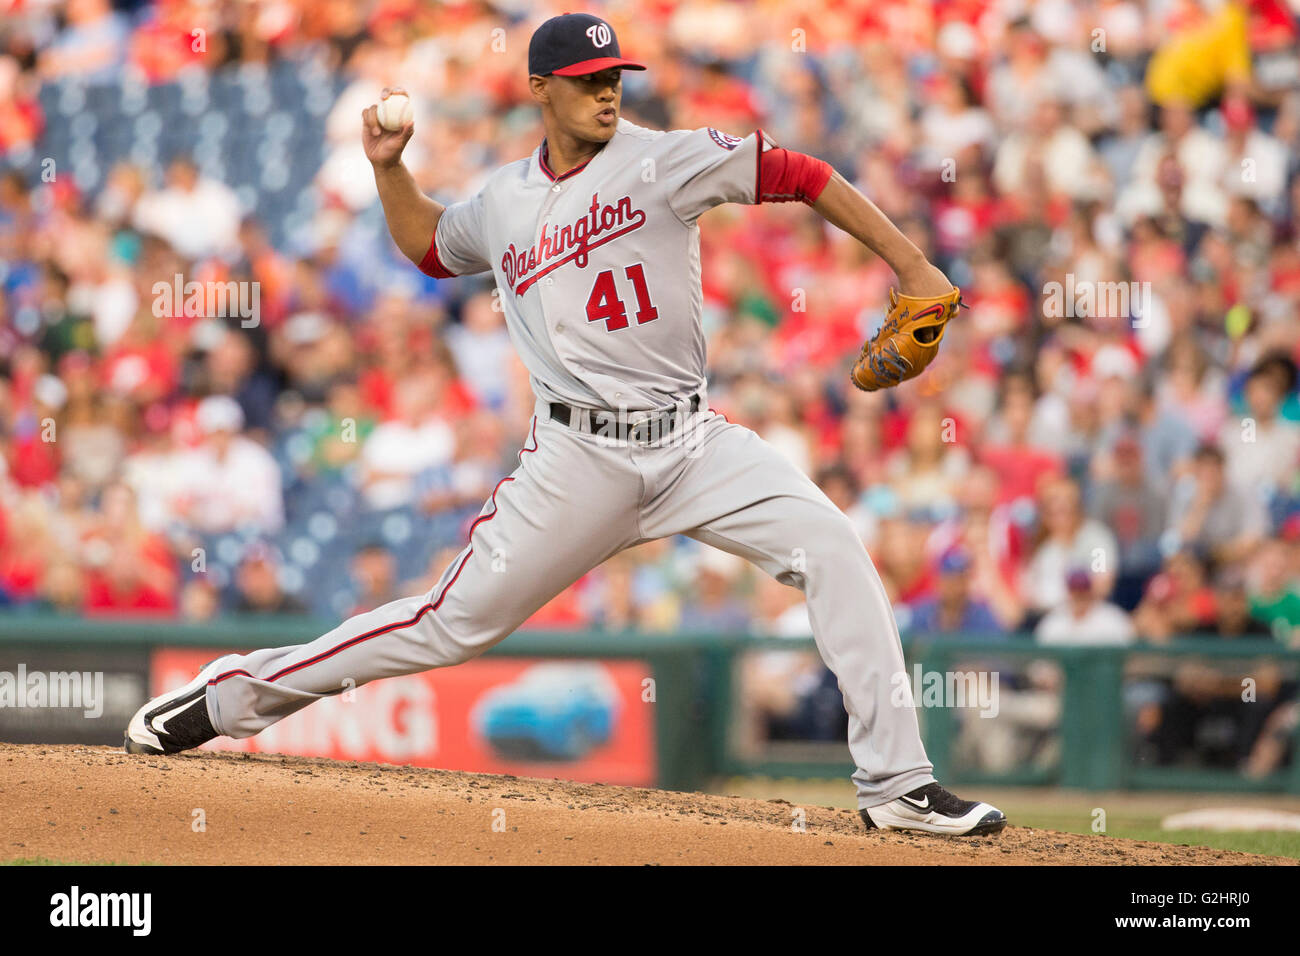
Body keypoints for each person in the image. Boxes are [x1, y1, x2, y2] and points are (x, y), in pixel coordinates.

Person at [125, 13, 1005, 837]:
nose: (607, 90)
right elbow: (432, 246)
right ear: (540, 88)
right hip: (577, 458)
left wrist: (916, 267)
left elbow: (803, 176)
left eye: (614, 74)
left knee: (834, 547)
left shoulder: (666, 158)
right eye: (586, 79)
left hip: (694, 442)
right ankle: (227, 697)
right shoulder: (506, 201)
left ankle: (897, 787)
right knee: (445, 624)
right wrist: (391, 170)